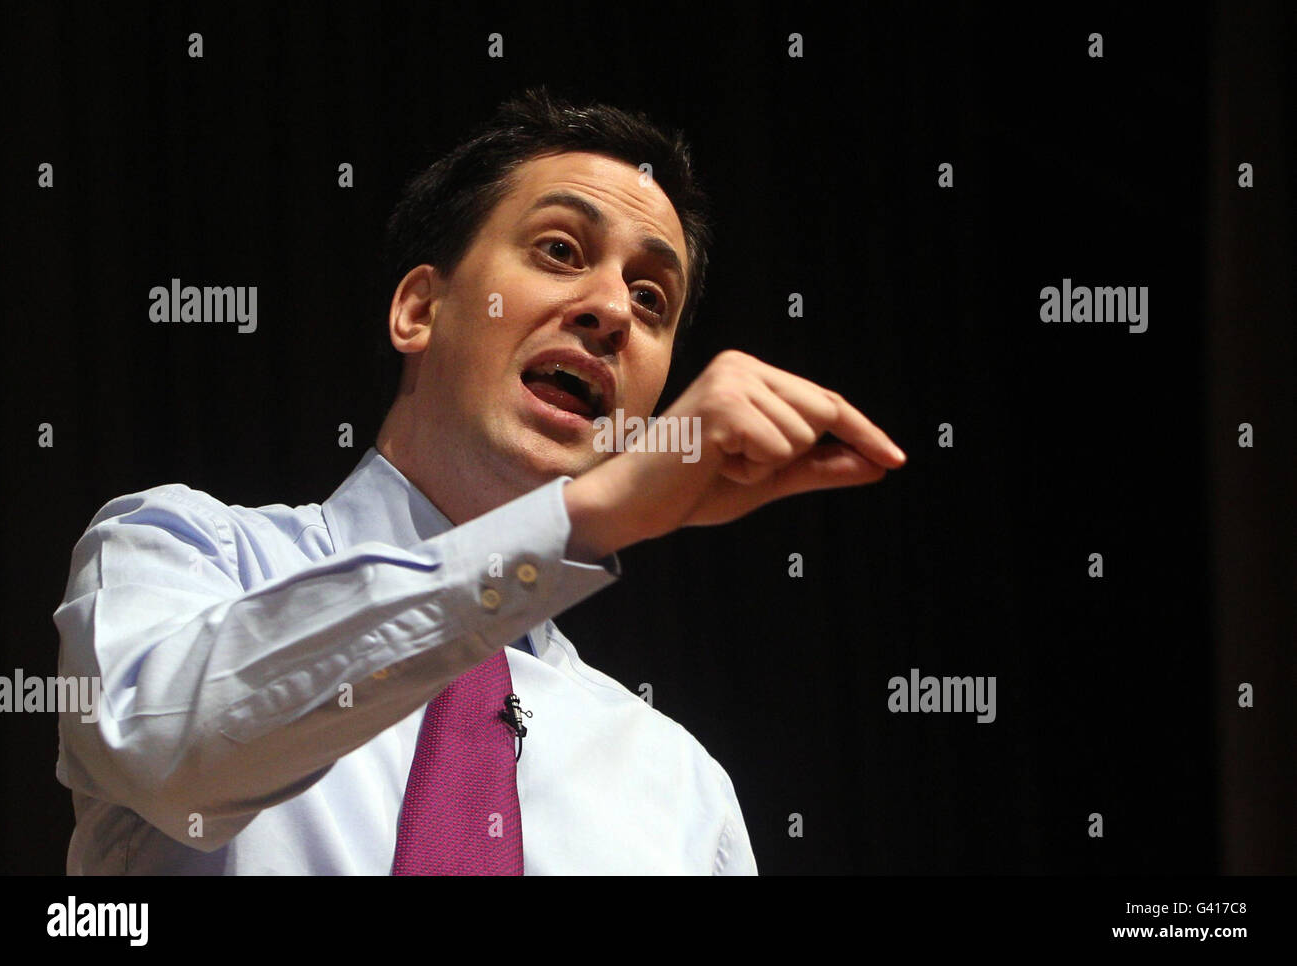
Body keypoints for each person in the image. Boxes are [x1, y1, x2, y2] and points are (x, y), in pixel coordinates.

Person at [53, 88, 906, 875]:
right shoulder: (185, 552)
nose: (611, 310)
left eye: (652, 300)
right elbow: (166, 751)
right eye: (561, 249)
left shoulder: (682, 790)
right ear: (419, 310)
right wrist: (586, 520)